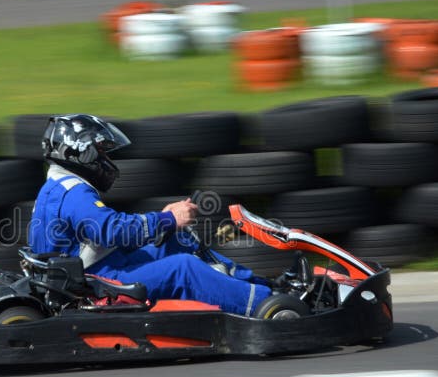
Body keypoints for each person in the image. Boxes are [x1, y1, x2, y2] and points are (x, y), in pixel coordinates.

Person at [28, 113, 275, 316]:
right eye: (100, 152)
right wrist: (168, 219)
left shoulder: (56, 187)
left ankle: (258, 286)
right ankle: (266, 307)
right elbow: (114, 231)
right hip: (94, 283)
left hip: (91, 269)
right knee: (183, 269)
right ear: (80, 152)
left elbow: (103, 233)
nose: (105, 159)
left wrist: (164, 223)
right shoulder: (74, 193)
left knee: (176, 241)